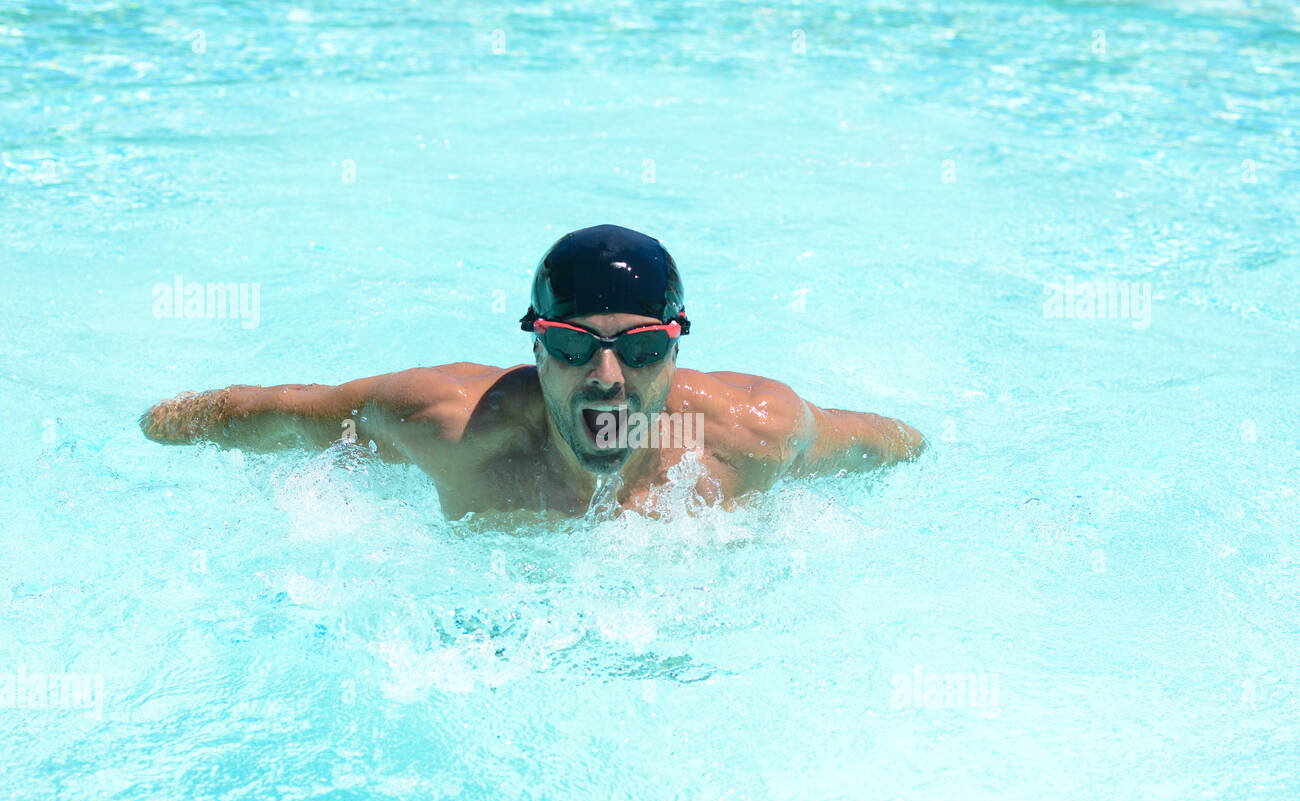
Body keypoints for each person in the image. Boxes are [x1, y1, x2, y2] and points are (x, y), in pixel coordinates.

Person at [140, 224, 924, 519]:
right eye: (576, 344)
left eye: (642, 344)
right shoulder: (451, 424)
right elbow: (281, 411)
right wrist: (144, 427)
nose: (609, 376)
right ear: (536, 350)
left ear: (677, 348)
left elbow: (884, 445)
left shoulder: (754, 434)